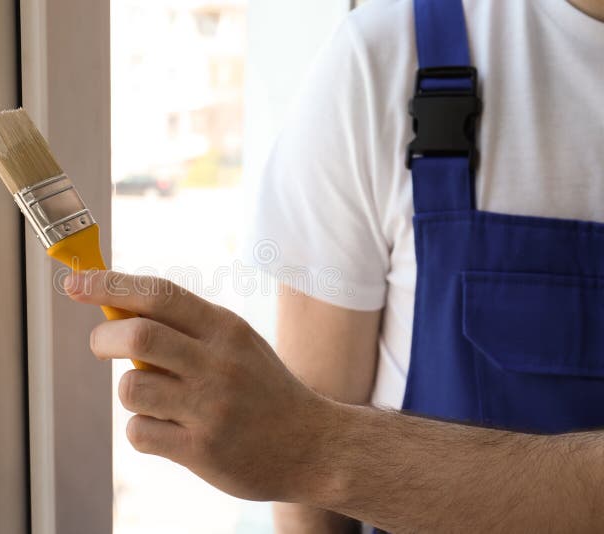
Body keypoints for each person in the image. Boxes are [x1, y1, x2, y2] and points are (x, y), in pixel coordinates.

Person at [65, 0, 604, 531]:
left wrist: (311, 443)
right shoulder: (389, 58)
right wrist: (300, 441)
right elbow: (306, 504)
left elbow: (294, 442)